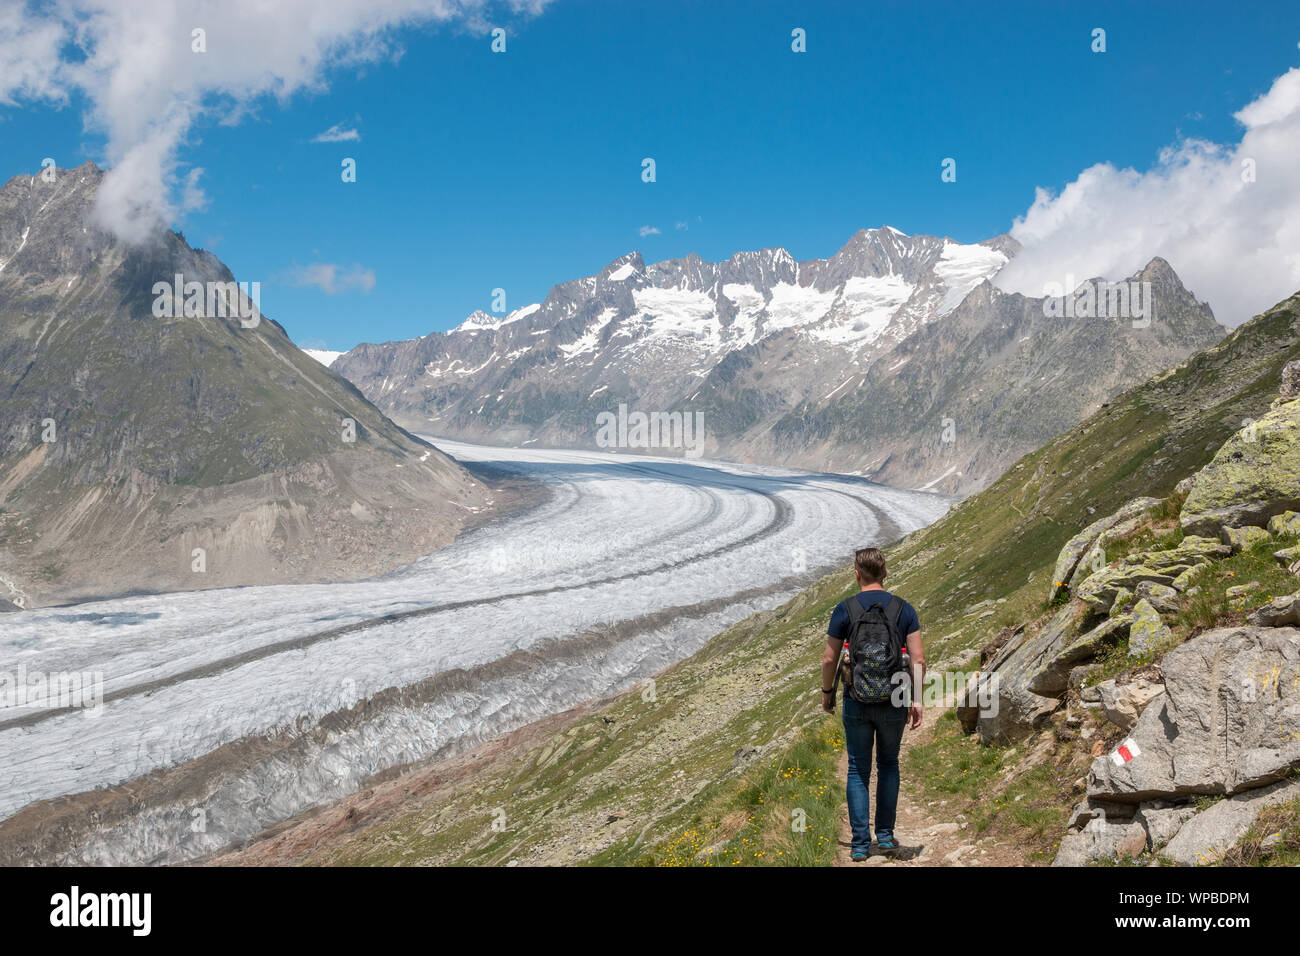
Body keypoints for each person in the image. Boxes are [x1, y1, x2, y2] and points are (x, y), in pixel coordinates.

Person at [821, 547, 924, 861]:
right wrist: (917, 699)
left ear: (856, 573)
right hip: (894, 697)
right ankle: (887, 838)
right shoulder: (904, 609)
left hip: (857, 698)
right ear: (886, 573)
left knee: (857, 769)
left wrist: (828, 693)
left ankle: (860, 844)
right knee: (889, 764)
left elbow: (829, 658)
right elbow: (917, 658)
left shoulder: (845, 609)